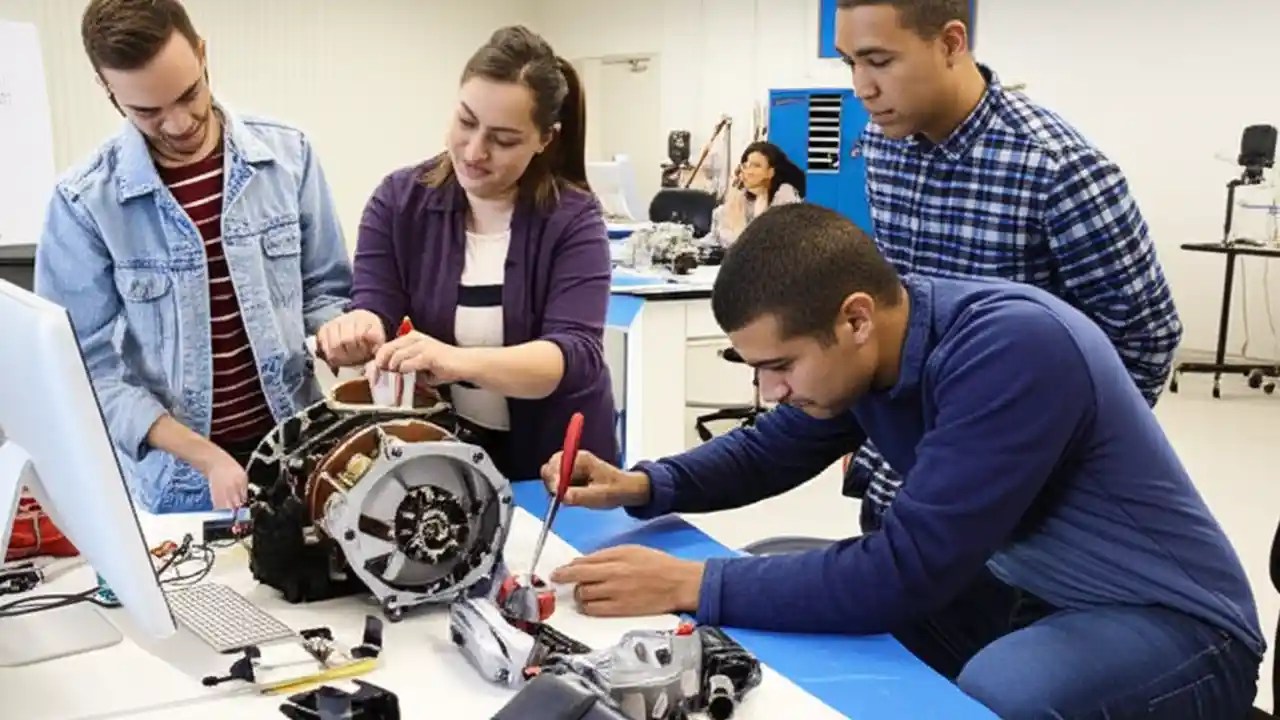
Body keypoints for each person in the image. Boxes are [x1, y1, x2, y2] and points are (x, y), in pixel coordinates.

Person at [545, 204, 1263, 719]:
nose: (770, 390)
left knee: (1004, 691)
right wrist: (643, 483)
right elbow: (773, 448)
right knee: (770, 582)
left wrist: (695, 582)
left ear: (855, 318)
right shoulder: (875, 348)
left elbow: (905, 573)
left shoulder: (1012, 352)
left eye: (781, 365)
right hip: (1025, 599)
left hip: (1173, 627)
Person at [834, 0, 1184, 530]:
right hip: (902, 479)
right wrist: (873, 430)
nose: (862, 87)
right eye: (850, 63)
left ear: (951, 43)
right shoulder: (884, 147)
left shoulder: (1059, 170)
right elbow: (897, 312)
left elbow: (1146, 343)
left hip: (1011, 506)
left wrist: (1042, 468)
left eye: (879, 61)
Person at [34, 0, 352, 513]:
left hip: (303, 456)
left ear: (202, 53)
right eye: (147, 111)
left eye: (188, 94)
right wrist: (204, 456)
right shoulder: (84, 203)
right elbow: (83, 369)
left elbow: (326, 290)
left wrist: (342, 333)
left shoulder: (289, 158)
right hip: (180, 481)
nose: (179, 124)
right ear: (106, 88)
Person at [316, 26, 617, 482]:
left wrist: (453, 360)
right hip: (444, 463)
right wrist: (359, 326)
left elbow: (573, 356)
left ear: (545, 139)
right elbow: (376, 305)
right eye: (466, 121)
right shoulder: (398, 202)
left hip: (556, 468)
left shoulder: (573, 218)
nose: (475, 151)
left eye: (505, 139)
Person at [708, 141, 804, 247]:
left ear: (770, 172)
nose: (749, 171)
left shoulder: (785, 194)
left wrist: (762, 201)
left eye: (756, 166)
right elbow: (719, 239)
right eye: (746, 165)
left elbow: (767, 242)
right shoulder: (738, 198)